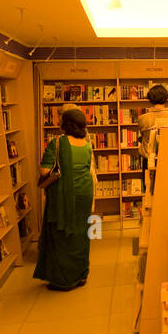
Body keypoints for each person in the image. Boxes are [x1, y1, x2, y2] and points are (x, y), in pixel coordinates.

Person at [34, 107, 97, 291]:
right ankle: (81, 274)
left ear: (66, 124)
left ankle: (63, 278)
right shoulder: (86, 144)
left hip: (64, 194)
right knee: (81, 233)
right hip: (84, 193)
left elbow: (45, 171)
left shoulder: (58, 143)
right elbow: (87, 166)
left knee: (61, 234)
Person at [137, 84, 168, 171]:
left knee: (148, 183)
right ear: (166, 97)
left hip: (148, 159)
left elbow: (143, 136)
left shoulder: (142, 118)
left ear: (150, 99)